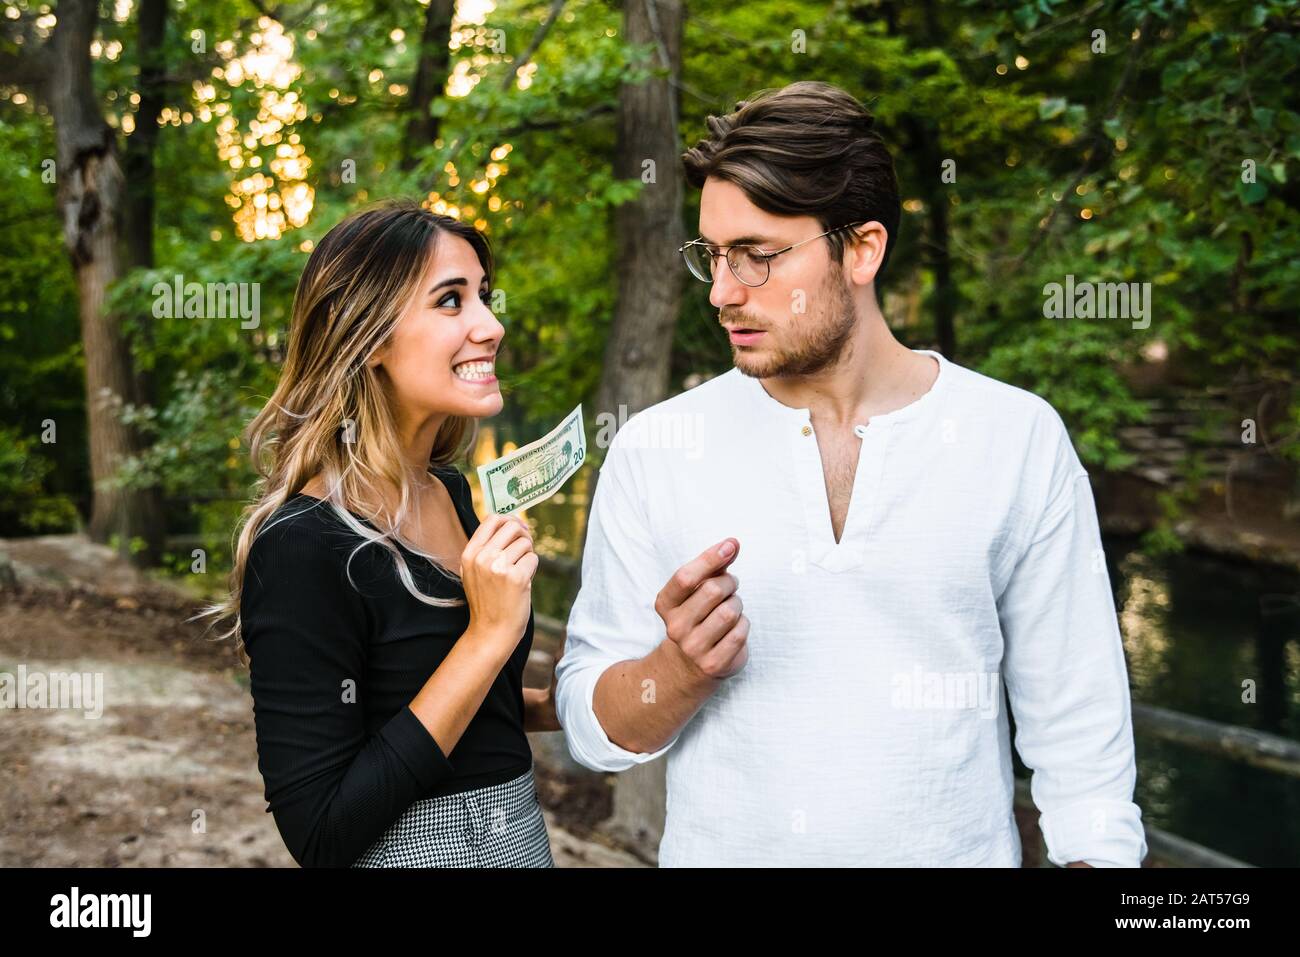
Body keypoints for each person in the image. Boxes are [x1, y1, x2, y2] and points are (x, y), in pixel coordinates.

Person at [555, 81, 1148, 867]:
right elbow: (595, 732)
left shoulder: (1017, 438)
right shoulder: (658, 448)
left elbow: (1082, 748)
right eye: (713, 256)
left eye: (758, 257)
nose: (724, 293)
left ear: (862, 248)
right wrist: (677, 669)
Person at [209, 200, 559, 867]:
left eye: (483, 296)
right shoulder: (300, 546)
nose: (492, 324)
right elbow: (321, 832)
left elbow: (456, 710)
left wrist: (602, 693)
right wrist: (486, 638)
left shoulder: (452, 493)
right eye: (451, 301)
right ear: (368, 337)